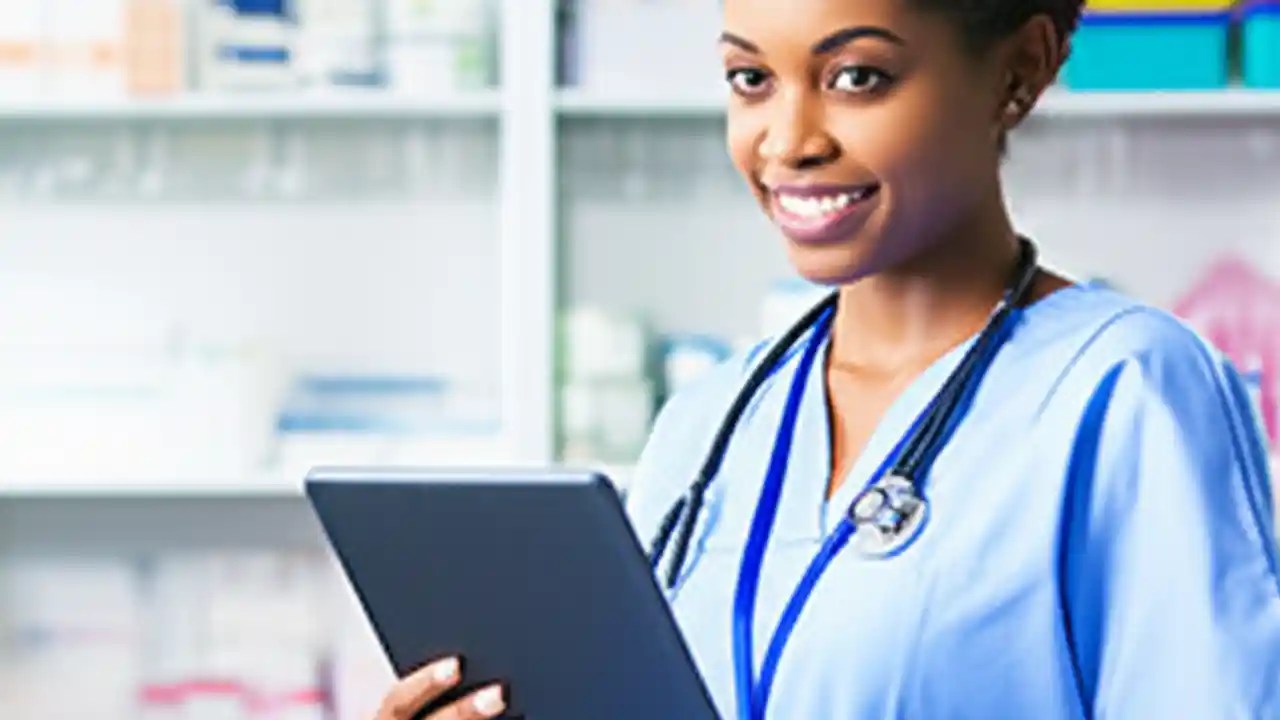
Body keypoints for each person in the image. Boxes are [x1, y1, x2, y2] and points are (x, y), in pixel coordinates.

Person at [373, 0, 1280, 718]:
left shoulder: (1125, 389)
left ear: (1021, 70)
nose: (788, 139)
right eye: (750, 78)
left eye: (857, 77)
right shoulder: (714, 419)